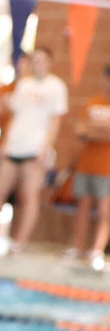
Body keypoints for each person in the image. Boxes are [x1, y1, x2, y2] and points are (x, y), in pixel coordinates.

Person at [0, 46, 68, 251]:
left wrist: (45, 147)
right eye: (34, 60)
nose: (37, 64)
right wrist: (7, 142)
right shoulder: (24, 85)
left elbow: (56, 120)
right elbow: (16, 116)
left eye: (41, 60)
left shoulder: (56, 87)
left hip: (35, 149)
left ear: (49, 62)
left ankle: (20, 242)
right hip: (14, 147)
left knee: (29, 195)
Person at [66, 62, 110, 266]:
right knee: (82, 207)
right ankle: (78, 247)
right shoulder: (93, 102)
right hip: (86, 164)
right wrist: (101, 130)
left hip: (106, 167)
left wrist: (95, 130)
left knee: (104, 211)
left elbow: (92, 131)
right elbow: (81, 131)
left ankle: (96, 251)